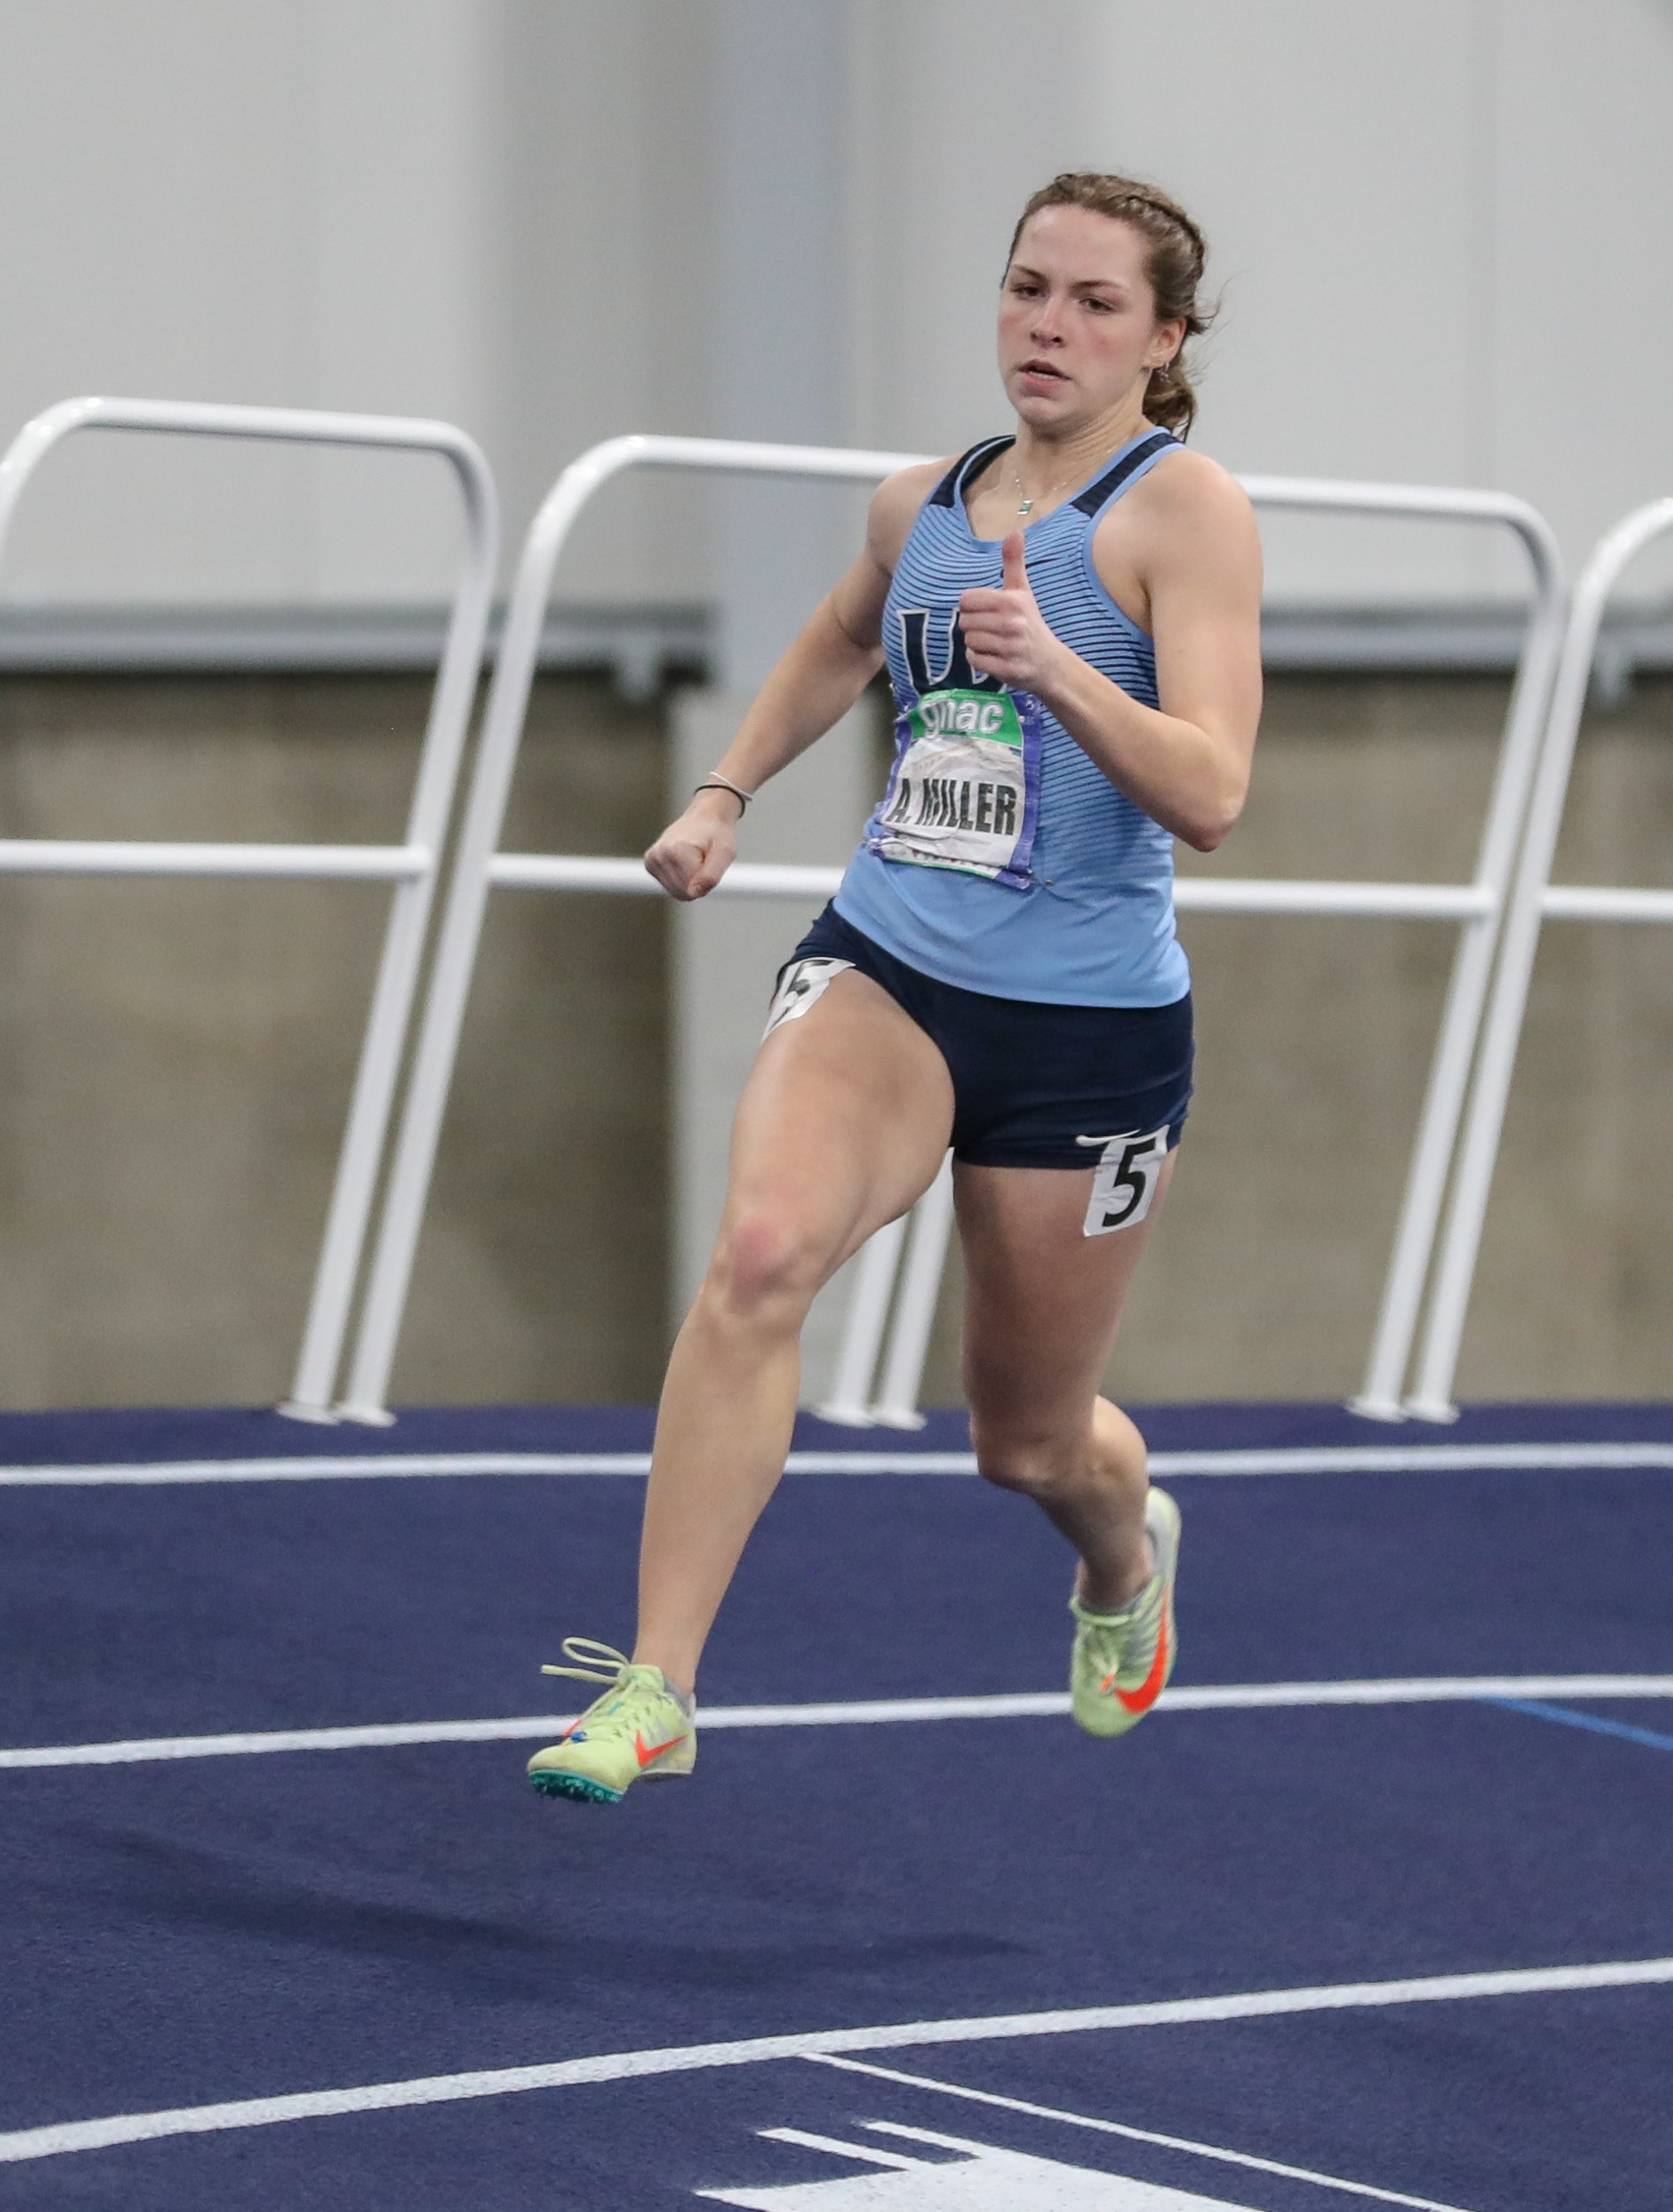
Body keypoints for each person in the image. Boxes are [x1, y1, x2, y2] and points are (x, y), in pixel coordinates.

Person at [528, 173, 1263, 1803]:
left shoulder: (1182, 511)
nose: (1047, 326)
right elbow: (838, 640)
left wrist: (1056, 667)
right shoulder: (917, 505)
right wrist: (723, 791)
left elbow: (1213, 792)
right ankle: (657, 1686)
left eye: (1093, 302)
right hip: (891, 963)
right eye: (1026, 287)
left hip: (1085, 1032)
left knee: (1029, 1440)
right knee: (760, 1255)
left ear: (1161, 338)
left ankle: (1123, 1556)